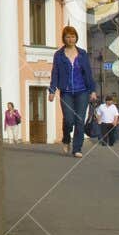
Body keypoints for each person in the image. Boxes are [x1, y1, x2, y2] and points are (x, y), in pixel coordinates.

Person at [50, 25, 97, 157]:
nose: (71, 39)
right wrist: (52, 90)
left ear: (76, 37)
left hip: (82, 91)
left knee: (79, 120)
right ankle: (66, 138)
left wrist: (92, 90)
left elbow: (88, 73)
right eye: (68, 37)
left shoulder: (82, 54)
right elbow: (55, 73)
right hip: (66, 91)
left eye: (73, 36)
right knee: (69, 119)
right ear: (64, 39)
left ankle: (77, 148)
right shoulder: (59, 55)